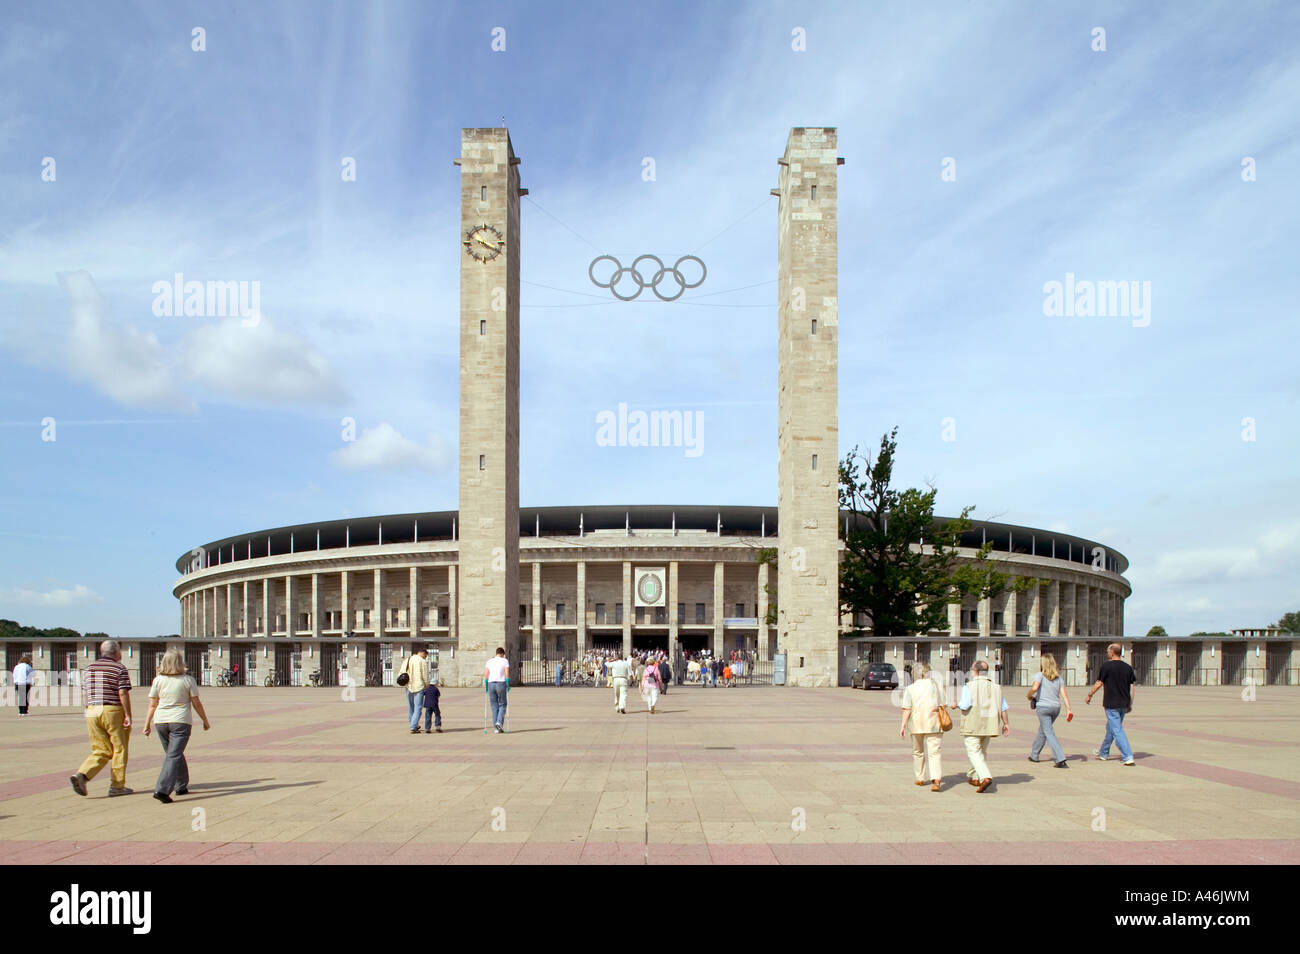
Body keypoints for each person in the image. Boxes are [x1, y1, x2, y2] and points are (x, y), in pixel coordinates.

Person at [142, 649, 211, 803]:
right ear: (181, 663)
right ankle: (162, 789)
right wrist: (205, 720)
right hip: (180, 722)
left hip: (161, 722)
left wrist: (147, 723)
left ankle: (181, 785)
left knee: (173, 754)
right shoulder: (187, 680)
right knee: (173, 755)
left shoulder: (158, 680)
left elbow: (153, 704)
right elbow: (196, 703)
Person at [70, 639, 134, 798]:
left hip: (92, 710)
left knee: (101, 749)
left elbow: (84, 692)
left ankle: (83, 774)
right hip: (112, 709)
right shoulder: (119, 668)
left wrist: (88, 707)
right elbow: (122, 693)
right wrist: (128, 714)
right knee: (119, 748)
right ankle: (117, 786)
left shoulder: (89, 668)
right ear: (116, 652)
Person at [953, 659, 1009, 793]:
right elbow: (1003, 707)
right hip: (990, 725)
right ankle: (975, 776)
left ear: (975, 671)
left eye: (972, 669)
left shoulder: (969, 686)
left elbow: (965, 704)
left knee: (974, 751)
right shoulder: (996, 687)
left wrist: (956, 704)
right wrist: (1006, 723)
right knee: (981, 752)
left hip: (973, 724)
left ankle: (985, 777)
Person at [899, 662, 946, 791]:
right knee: (934, 752)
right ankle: (936, 779)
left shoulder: (910, 688)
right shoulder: (937, 686)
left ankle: (920, 778)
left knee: (918, 751)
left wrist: (903, 725)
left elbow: (907, 709)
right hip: (934, 723)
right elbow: (943, 704)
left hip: (916, 724)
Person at [1088, 643, 1136, 766]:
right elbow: (1132, 687)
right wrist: (1130, 703)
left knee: (1117, 730)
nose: (1107, 653)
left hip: (1111, 703)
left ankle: (1127, 756)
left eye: (1108, 651)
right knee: (1111, 728)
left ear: (1112, 652)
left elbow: (1099, 683)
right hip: (1124, 703)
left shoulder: (1106, 666)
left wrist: (1090, 695)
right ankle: (1103, 753)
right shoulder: (1128, 667)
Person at [1027, 653, 1072, 767]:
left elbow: (1035, 688)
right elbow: (1064, 696)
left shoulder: (1040, 675)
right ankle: (1034, 754)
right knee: (1044, 730)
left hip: (1043, 707)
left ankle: (1060, 758)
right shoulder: (1059, 678)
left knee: (1048, 732)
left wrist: (1029, 695)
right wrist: (1069, 710)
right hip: (1056, 708)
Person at [402, 647, 431, 734]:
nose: (425, 657)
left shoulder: (407, 660)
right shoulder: (422, 661)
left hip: (408, 686)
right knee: (418, 707)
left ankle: (413, 723)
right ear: (423, 653)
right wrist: (427, 685)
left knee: (411, 706)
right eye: (425, 656)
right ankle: (413, 726)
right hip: (419, 686)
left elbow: (402, 672)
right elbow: (425, 675)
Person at [484, 647, 509, 733]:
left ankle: (496, 728)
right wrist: (508, 683)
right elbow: (506, 673)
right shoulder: (504, 661)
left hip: (491, 683)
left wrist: (486, 684)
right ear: (502, 654)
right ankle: (499, 722)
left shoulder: (489, 661)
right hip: (500, 683)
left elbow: (486, 674)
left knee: (494, 706)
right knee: (503, 704)